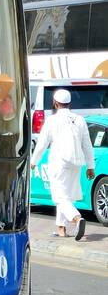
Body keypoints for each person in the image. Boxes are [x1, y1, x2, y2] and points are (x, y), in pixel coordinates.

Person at [33, 88, 96, 240]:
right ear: (70, 103)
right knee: (66, 196)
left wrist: (33, 161)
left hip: (59, 162)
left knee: (60, 197)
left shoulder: (52, 120)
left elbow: (42, 144)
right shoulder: (79, 119)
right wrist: (90, 166)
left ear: (55, 103)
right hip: (76, 162)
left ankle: (76, 218)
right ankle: (61, 229)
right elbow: (87, 144)